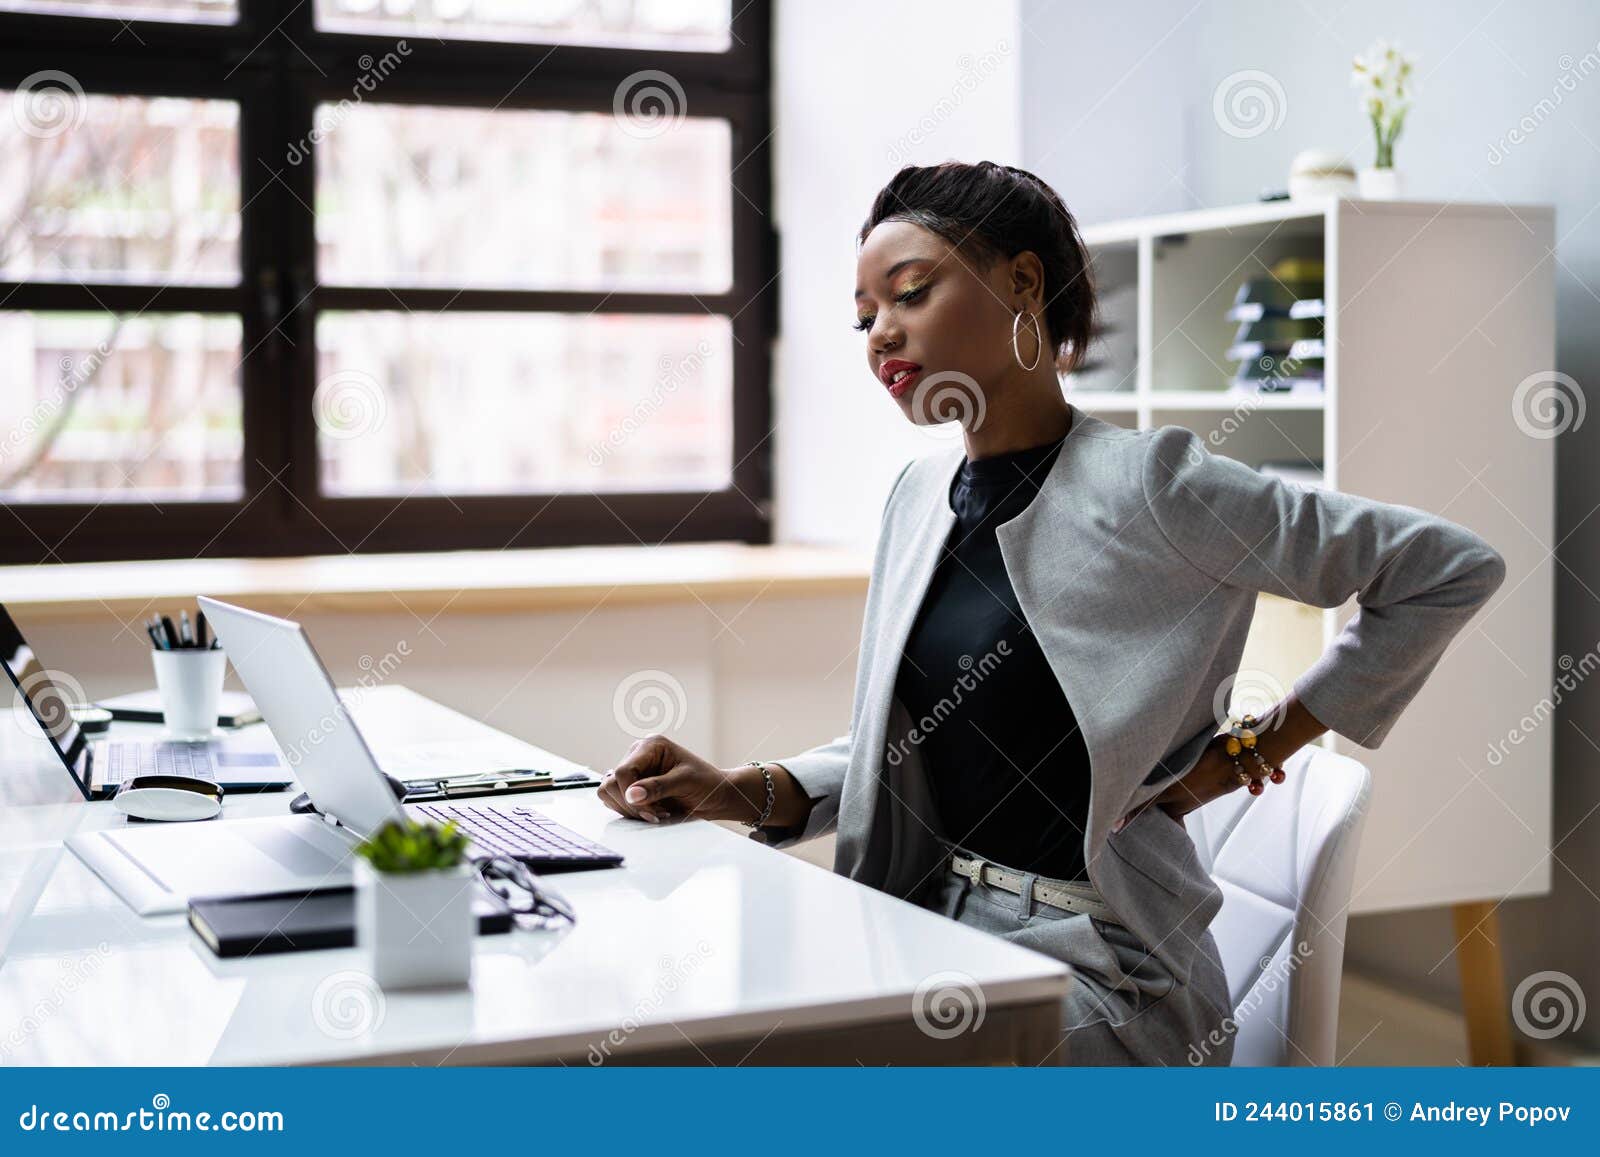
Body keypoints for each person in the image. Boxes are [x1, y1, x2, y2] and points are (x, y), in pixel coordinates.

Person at [597, 160, 1507, 1066]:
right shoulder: (918, 497)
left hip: (1100, 966)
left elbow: (1445, 569)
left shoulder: (1155, 486)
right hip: (922, 923)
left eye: (909, 293)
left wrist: (1251, 751)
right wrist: (732, 790)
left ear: (1022, 284)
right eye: (864, 316)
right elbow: (912, 745)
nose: (881, 334)